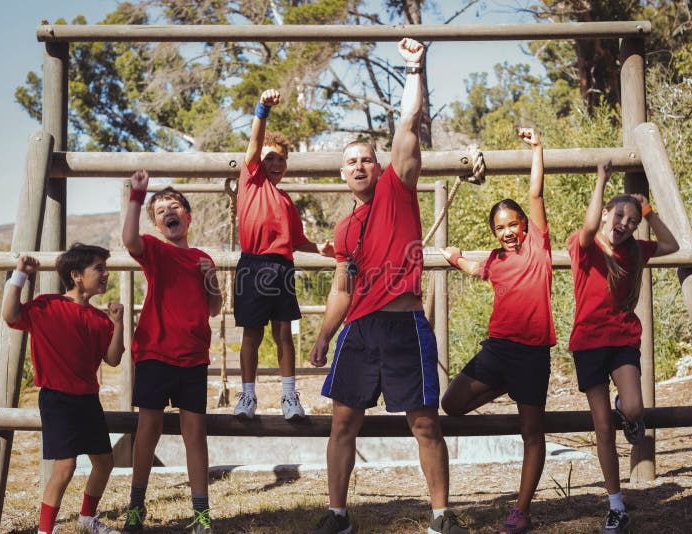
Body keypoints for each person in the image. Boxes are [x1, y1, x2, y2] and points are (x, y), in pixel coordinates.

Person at [309, 38, 468, 534]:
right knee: (342, 425)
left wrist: (413, 68)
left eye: (366, 159)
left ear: (380, 167)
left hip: (404, 328)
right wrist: (323, 335)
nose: (359, 165)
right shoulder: (343, 230)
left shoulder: (398, 190)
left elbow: (407, 124)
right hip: (359, 332)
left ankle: (440, 516)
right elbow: (341, 288)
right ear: (342, 174)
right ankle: (338, 515)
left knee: (425, 424)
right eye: (350, 161)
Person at [440, 128, 554, 534]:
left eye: (513, 224)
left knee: (531, 432)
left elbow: (537, 194)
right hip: (497, 351)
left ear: (525, 225)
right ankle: (505, 386)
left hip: (532, 355)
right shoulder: (494, 259)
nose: (507, 231)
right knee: (450, 403)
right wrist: (455, 258)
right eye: (500, 228)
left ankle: (521, 510)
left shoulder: (539, 248)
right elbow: (476, 268)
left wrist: (537, 149)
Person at [568, 160, 678, 534]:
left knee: (633, 407)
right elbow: (587, 226)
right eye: (619, 216)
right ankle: (615, 505)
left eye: (632, 222)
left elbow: (671, 244)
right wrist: (602, 181)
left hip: (622, 340)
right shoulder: (583, 246)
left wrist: (648, 210)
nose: (625, 225)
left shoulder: (635, 251)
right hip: (587, 344)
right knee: (602, 430)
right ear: (605, 215)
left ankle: (624, 411)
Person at [121, 174, 222, 533]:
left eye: (174, 206)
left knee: (195, 433)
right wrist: (137, 196)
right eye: (160, 210)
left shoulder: (202, 257)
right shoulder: (154, 249)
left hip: (194, 356)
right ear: (156, 223)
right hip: (154, 352)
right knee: (148, 428)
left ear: (188, 215)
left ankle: (201, 516)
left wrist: (212, 280)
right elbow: (128, 239)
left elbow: (214, 308)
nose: (168, 212)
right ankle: (136, 507)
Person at [3, 244, 124, 534]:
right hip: (57, 399)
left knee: (104, 463)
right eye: (99, 268)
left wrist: (119, 324)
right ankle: (45, 531)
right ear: (77, 275)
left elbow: (113, 358)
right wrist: (19, 275)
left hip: (88, 399)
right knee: (66, 467)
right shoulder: (46, 306)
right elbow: (10, 315)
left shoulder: (99, 319)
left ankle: (86, 519)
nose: (106, 274)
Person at [233, 88, 334, 421]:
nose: (275, 163)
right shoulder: (251, 181)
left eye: (281, 158)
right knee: (252, 333)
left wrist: (322, 249)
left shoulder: (286, 201)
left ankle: (289, 397)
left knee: (284, 333)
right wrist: (262, 108)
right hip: (253, 265)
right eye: (269, 157)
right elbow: (254, 144)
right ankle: (247, 397)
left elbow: (297, 241)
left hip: (282, 267)